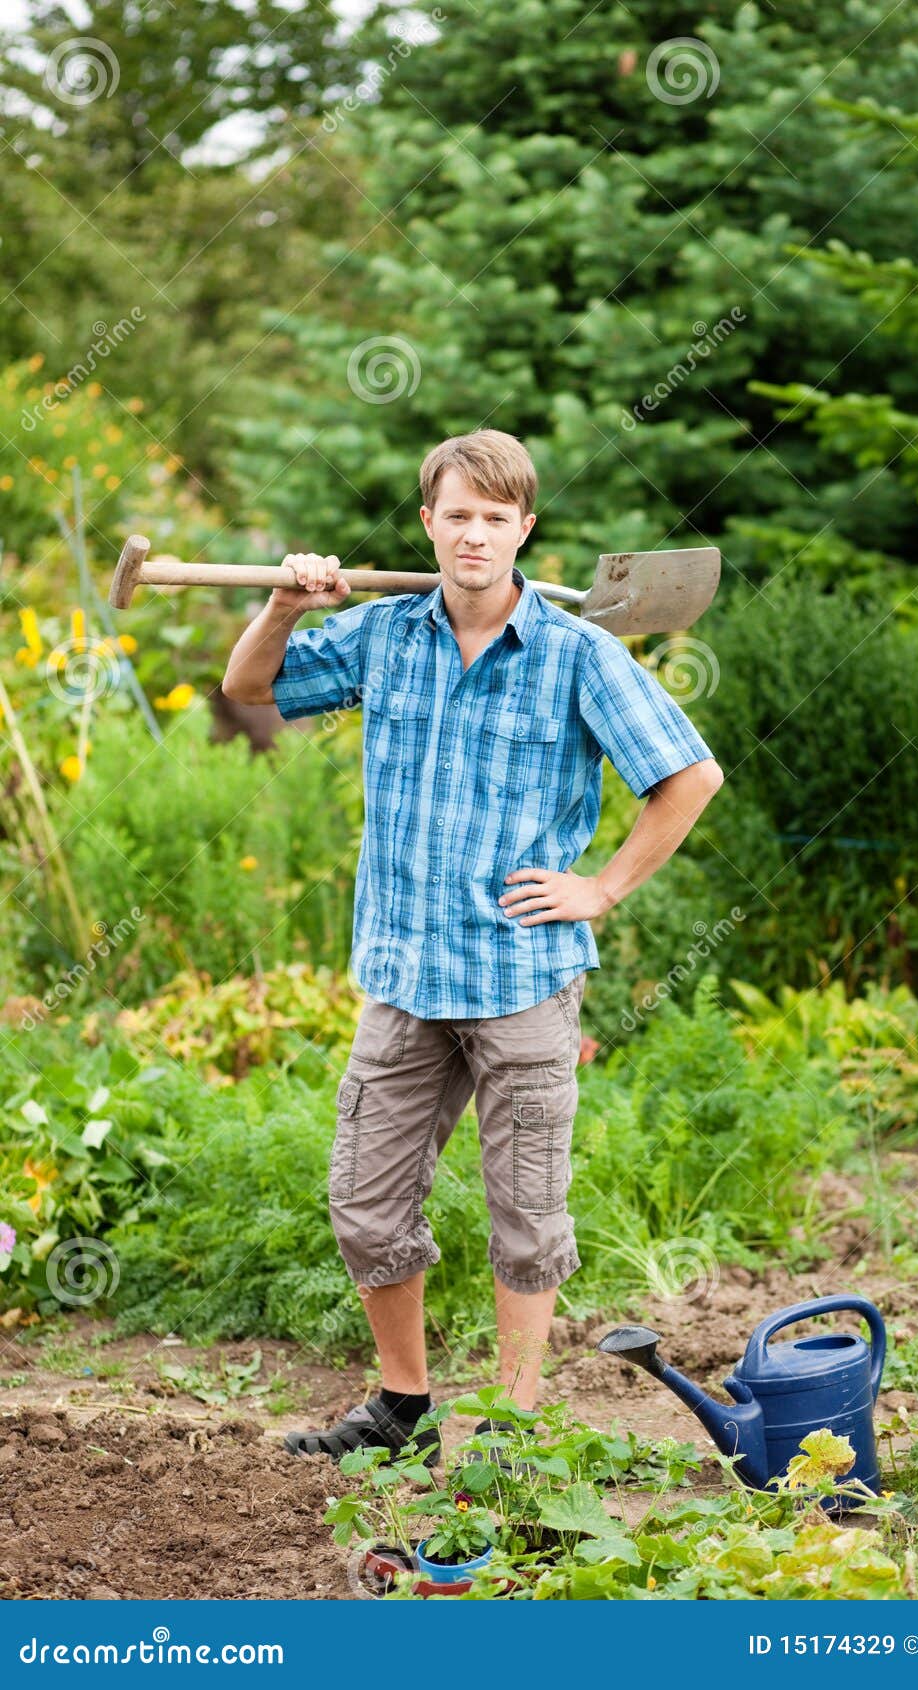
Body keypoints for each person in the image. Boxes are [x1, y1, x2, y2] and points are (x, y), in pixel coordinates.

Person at [221, 428, 722, 1465]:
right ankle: (403, 1407)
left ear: (523, 529)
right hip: (404, 978)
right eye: (457, 515)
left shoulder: (579, 651)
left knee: (525, 1216)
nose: (474, 533)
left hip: (520, 981)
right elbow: (248, 688)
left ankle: (514, 1427)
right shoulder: (384, 633)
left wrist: (602, 886)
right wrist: (281, 602)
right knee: (364, 1205)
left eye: (495, 517)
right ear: (428, 524)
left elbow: (687, 776)